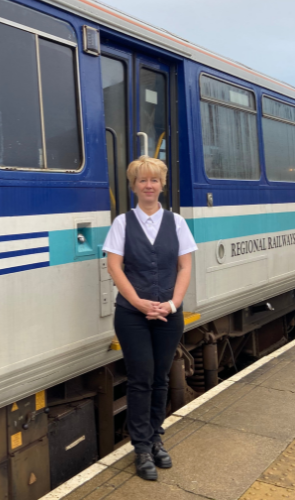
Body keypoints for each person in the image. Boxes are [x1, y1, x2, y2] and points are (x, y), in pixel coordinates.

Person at [102, 156, 197, 481]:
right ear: (134, 186)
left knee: (161, 378)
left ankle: (156, 437)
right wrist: (140, 304)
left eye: (153, 180)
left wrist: (173, 304)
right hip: (132, 315)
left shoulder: (177, 223)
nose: (148, 185)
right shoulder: (122, 224)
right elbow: (114, 266)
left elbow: (184, 266)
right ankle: (141, 447)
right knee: (141, 378)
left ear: (161, 184)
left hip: (169, 314)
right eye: (142, 180)